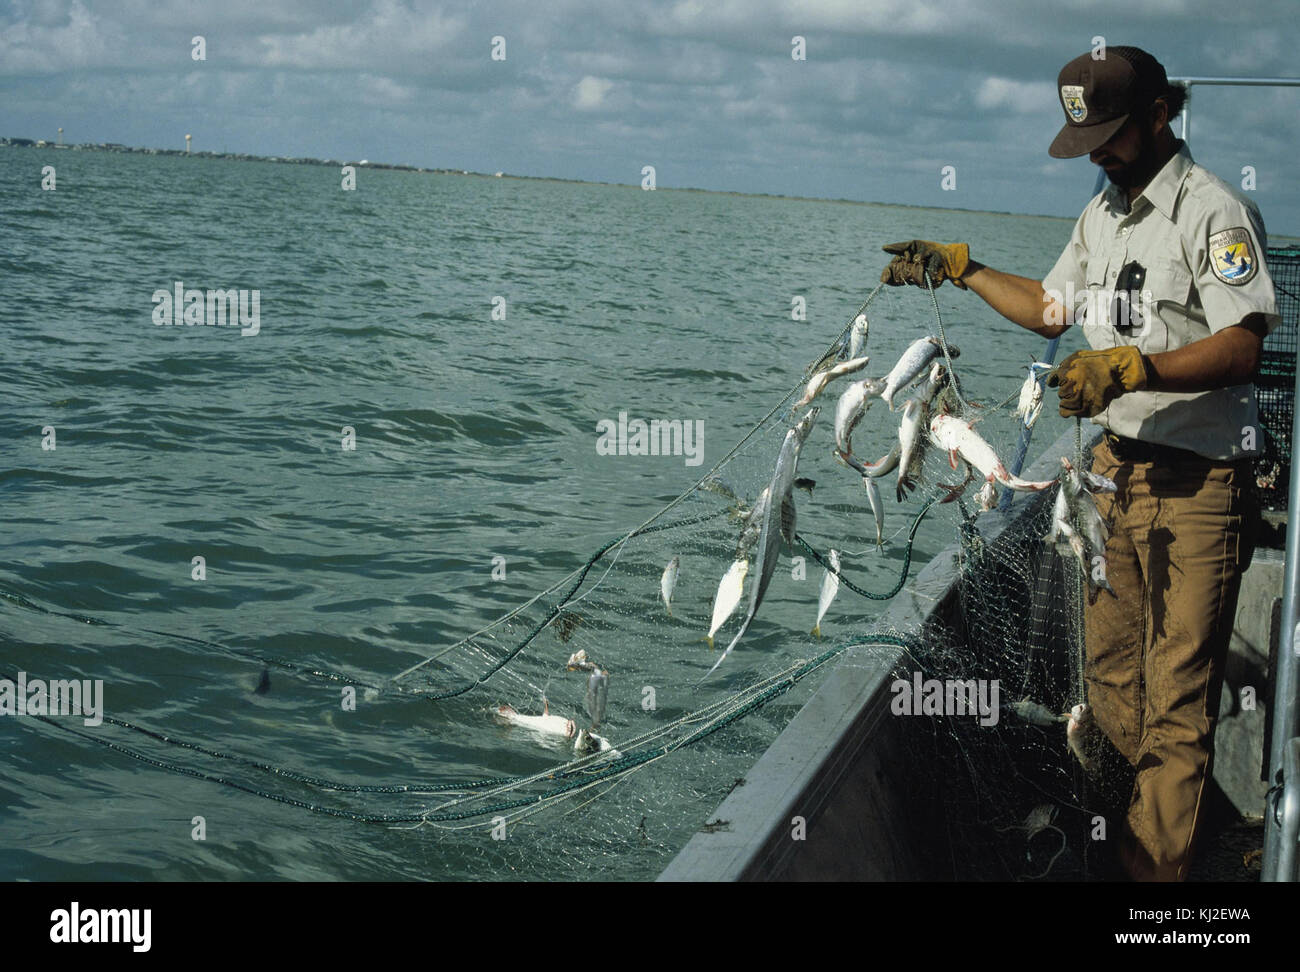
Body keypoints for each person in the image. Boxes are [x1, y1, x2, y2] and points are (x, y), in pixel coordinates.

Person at [879, 45, 1280, 881]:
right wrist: (967, 268)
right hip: (1110, 479)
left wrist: (1137, 367)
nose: (1096, 151)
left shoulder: (1215, 212)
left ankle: (1154, 887)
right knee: (1107, 681)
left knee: (1175, 700)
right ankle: (1136, 839)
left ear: (1161, 114)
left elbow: (1243, 345)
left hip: (1198, 485)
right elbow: (1053, 308)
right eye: (1085, 136)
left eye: (1110, 133)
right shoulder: (1103, 214)